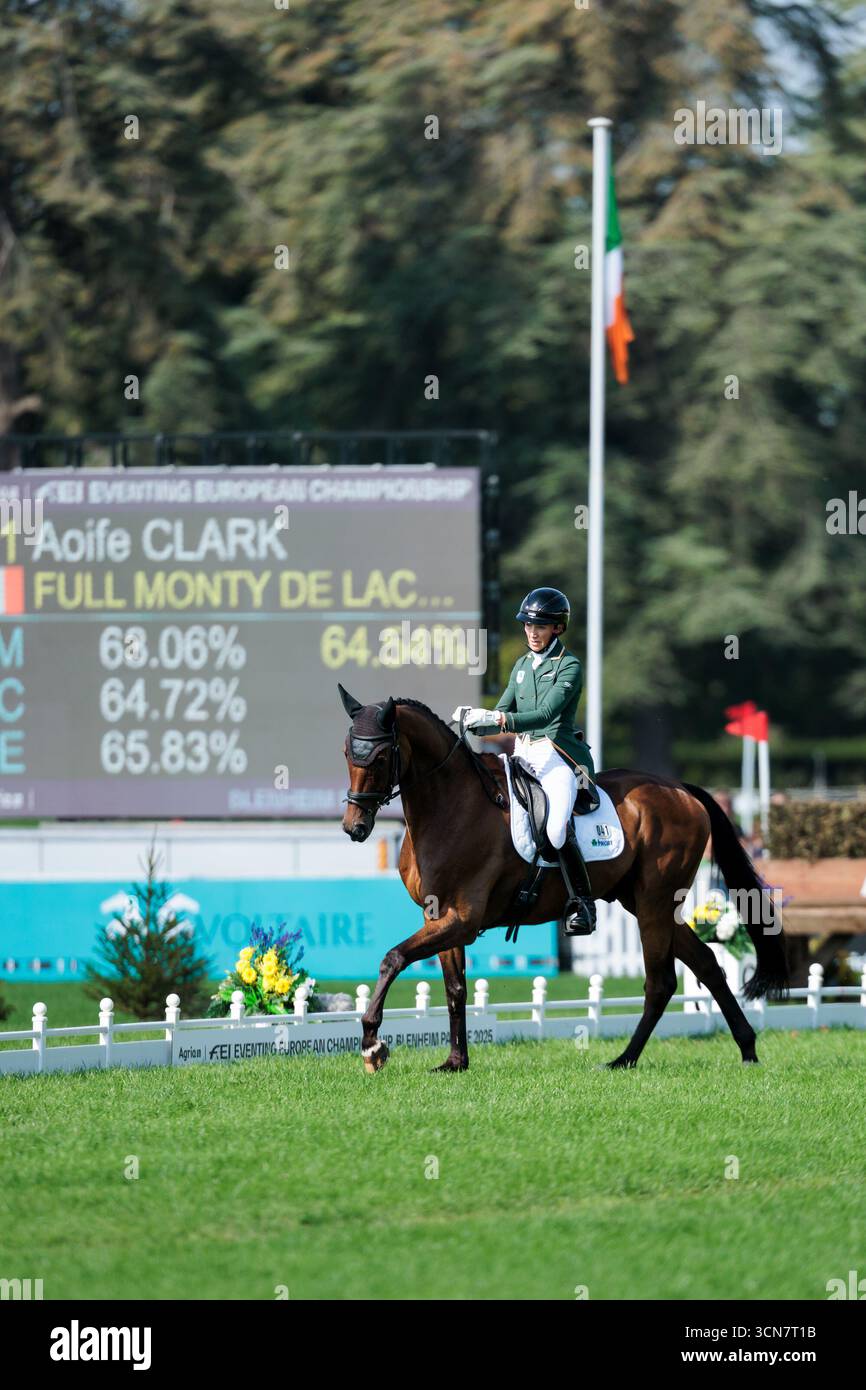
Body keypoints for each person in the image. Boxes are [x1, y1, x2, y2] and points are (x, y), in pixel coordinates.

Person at [453, 586, 597, 934]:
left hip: (558, 757)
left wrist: (500, 721)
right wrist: (472, 719)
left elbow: (545, 714)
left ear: (557, 628)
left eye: (541, 626)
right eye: (528, 626)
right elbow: (502, 709)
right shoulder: (520, 666)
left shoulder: (570, 666)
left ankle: (582, 904)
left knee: (555, 831)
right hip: (523, 755)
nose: (532, 632)